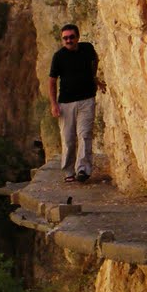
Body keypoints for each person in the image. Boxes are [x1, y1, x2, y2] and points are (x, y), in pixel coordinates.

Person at [47, 23, 103, 183]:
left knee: (84, 134)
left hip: (87, 99)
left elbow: (95, 60)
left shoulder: (87, 48)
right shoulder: (59, 57)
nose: (69, 40)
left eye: (71, 37)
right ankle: (68, 172)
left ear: (78, 37)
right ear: (62, 40)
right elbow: (51, 81)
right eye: (65, 38)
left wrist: (94, 78)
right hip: (66, 104)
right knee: (68, 139)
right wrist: (53, 104)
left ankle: (83, 170)